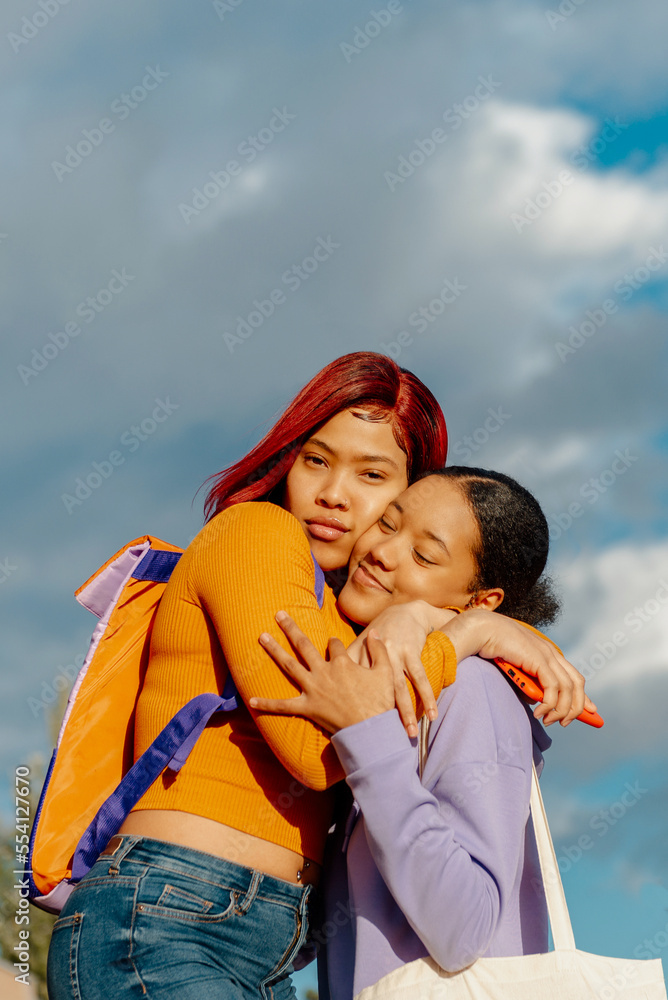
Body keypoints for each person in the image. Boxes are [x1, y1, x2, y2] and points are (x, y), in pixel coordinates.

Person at [46, 356, 587, 1000]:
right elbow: (317, 747)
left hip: (256, 941)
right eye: (316, 460)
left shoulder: (349, 613)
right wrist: (466, 634)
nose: (333, 494)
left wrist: (424, 618)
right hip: (164, 916)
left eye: (372, 476)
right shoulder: (258, 534)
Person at [249, 468, 570, 999]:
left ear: (481, 602)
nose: (382, 551)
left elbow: (462, 929)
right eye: (388, 524)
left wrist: (366, 739)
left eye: (424, 556)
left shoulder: (472, 690)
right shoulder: (406, 685)